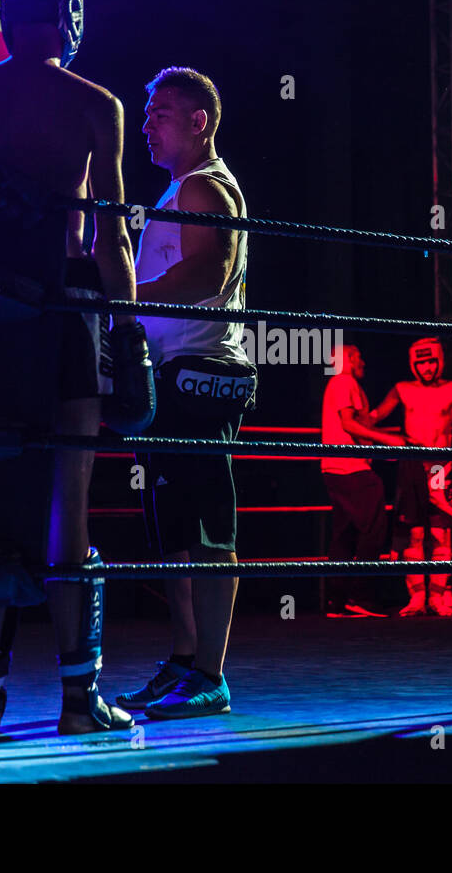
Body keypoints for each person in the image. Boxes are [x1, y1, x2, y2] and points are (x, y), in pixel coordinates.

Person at [0, 0, 144, 737]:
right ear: (69, 13)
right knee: (67, 512)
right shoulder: (93, 103)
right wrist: (127, 333)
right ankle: (79, 700)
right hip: (59, 304)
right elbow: (111, 230)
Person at [117, 67, 255, 718]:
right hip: (169, 371)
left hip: (201, 372)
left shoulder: (204, 186)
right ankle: (185, 658)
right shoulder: (180, 187)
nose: (147, 123)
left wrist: (122, 302)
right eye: (147, 112)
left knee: (204, 525)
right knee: (172, 527)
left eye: (161, 111)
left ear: (199, 121)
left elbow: (210, 271)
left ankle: (210, 672)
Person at [366, 338, 452, 616]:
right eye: (421, 362)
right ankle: (417, 598)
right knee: (413, 534)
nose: (426, 367)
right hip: (412, 462)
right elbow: (374, 416)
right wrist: (350, 429)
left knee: (441, 533)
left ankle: (438, 597)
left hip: (442, 464)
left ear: (439, 361)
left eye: (430, 361)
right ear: (413, 364)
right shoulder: (402, 389)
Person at [319, 344, 403, 617]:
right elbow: (349, 425)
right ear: (348, 359)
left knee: (344, 533)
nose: (362, 361)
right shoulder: (344, 382)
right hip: (349, 467)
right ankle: (360, 594)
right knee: (374, 527)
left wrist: (376, 445)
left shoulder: (339, 384)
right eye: (357, 356)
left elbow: (359, 425)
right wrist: (389, 441)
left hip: (336, 466)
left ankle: (338, 600)